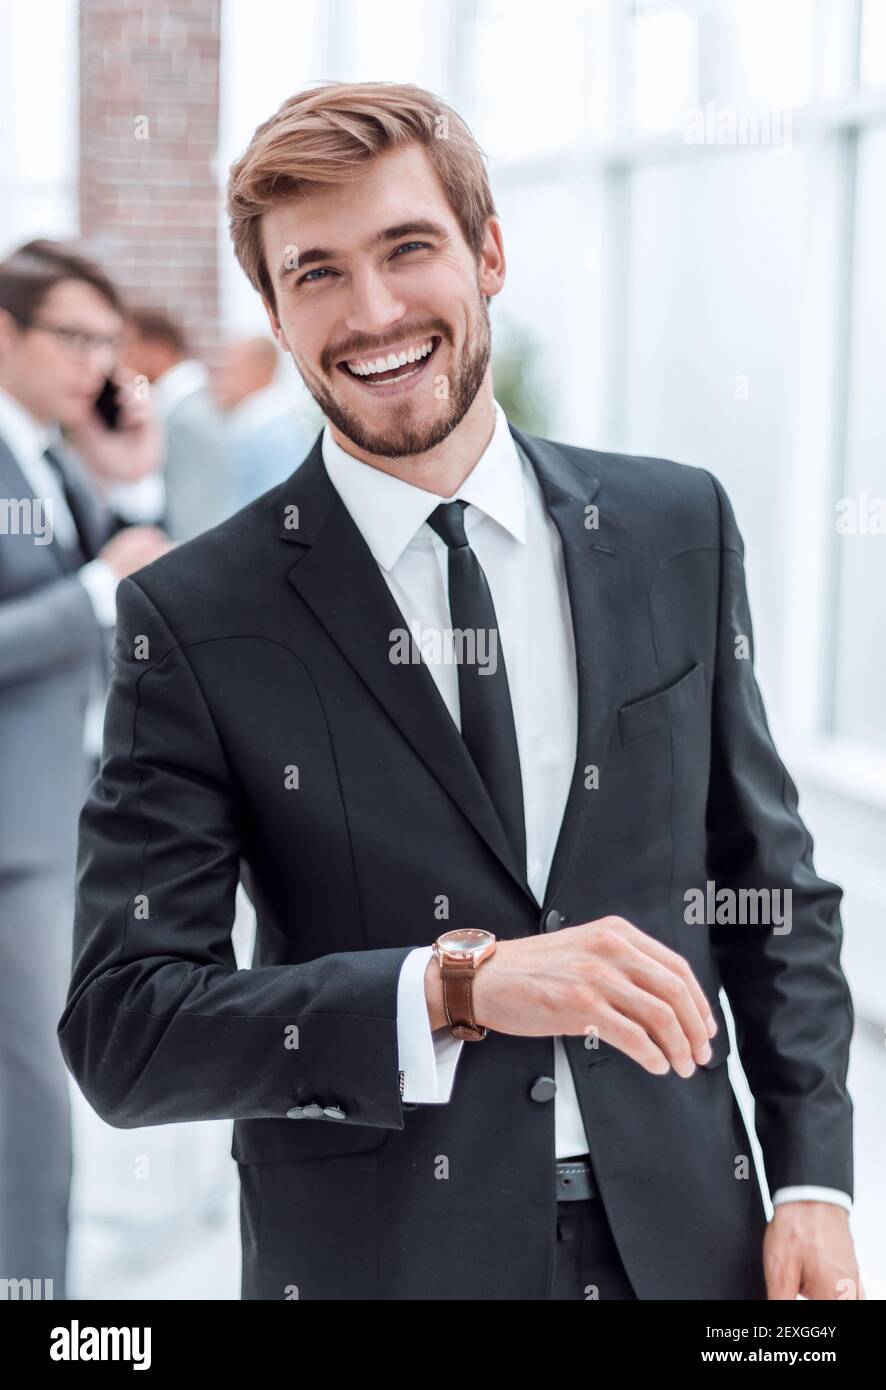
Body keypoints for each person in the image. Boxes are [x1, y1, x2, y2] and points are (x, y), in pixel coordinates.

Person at [58, 82, 860, 1301]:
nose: (372, 311)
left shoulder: (671, 526)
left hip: (694, 1244)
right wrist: (454, 988)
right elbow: (128, 1030)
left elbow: (766, 883)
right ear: (273, 314)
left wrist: (814, 1182)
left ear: (488, 253)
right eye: (316, 272)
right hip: (378, 1261)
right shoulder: (195, 617)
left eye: (407, 247)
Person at [0, 239, 170, 1298]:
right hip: (13, 838)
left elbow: (155, 602)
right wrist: (97, 591)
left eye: (112, 344)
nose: (97, 366)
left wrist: (135, 477)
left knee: (31, 1092)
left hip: (51, 821)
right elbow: (102, 599)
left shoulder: (54, 463)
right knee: (31, 1094)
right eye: (75, 338)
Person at [122, 308, 233, 542]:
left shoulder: (187, 416)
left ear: (158, 349)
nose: (124, 358)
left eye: (130, 346)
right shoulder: (190, 406)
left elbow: (194, 519)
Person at [210, 336, 314, 506]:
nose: (224, 378)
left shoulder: (277, 433)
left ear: (259, 369)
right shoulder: (251, 422)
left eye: (233, 368)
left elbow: (283, 504)